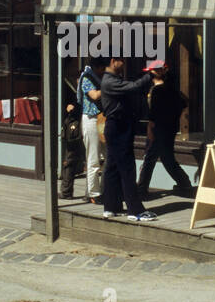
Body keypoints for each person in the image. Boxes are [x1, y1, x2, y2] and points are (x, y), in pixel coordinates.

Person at [99, 57, 154, 221]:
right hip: (118, 126)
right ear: (113, 61)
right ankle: (135, 210)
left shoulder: (112, 80)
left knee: (113, 167)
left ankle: (111, 206)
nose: (124, 65)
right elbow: (134, 87)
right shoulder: (110, 81)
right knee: (127, 167)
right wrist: (150, 74)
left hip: (118, 126)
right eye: (122, 61)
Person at [136, 59, 192, 198]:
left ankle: (142, 189)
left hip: (158, 129)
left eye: (152, 71)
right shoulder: (171, 89)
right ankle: (184, 182)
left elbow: (153, 114)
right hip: (169, 129)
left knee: (149, 158)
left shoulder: (157, 90)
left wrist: (150, 129)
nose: (150, 74)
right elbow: (184, 103)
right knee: (167, 158)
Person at [78, 60, 106, 204]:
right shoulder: (87, 77)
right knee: (93, 158)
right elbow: (94, 95)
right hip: (91, 119)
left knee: (108, 157)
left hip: (102, 119)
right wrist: (109, 87)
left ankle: (101, 189)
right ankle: (94, 193)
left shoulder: (101, 77)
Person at [58, 102, 83, 200]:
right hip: (79, 120)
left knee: (69, 160)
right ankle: (66, 190)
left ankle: (66, 191)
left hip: (77, 121)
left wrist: (73, 107)